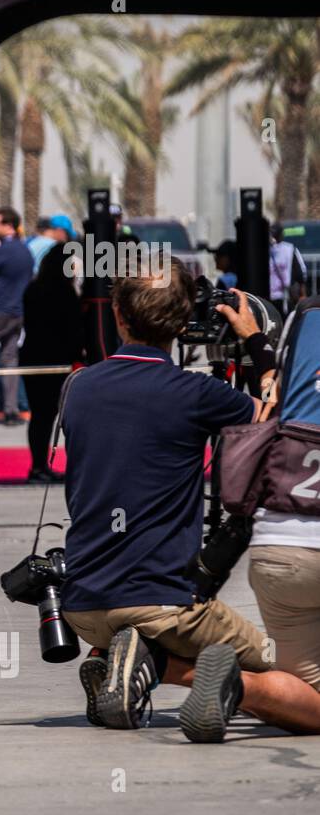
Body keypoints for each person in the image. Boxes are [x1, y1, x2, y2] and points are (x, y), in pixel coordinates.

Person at [59, 259, 320, 741]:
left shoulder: (77, 388)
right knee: (289, 676)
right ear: (183, 323)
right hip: (162, 605)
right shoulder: (196, 393)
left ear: (117, 314)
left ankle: (117, 656)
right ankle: (163, 665)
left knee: (135, 622)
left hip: (83, 605)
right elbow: (276, 416)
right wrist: (254, 339)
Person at [248, 295, 320, 696]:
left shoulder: (306, 314)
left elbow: (271, 398)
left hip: (280, 547)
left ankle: (236, 685)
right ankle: (242, 687)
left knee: (305, 690)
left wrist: (256, 342)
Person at [20, 243, 82, 483]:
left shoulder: (33, 289)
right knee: (52, 413)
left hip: (33, 354)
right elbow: (73, 327)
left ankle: (37, 465)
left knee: (40, 415)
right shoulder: (64, 293)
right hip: (57, 357)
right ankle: (41, 466)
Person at [0, 207, 34, 425]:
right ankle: (11, 410)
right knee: (10, 361)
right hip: (17, 313)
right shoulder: (25, 251)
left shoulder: (0, 251)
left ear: (8, 225)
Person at [269, 222, 305, 315]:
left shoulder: (265, 249)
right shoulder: (290, 248)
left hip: (268, 295)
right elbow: (300, 273)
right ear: (282, 234)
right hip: (286, 295)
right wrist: (302, 293)